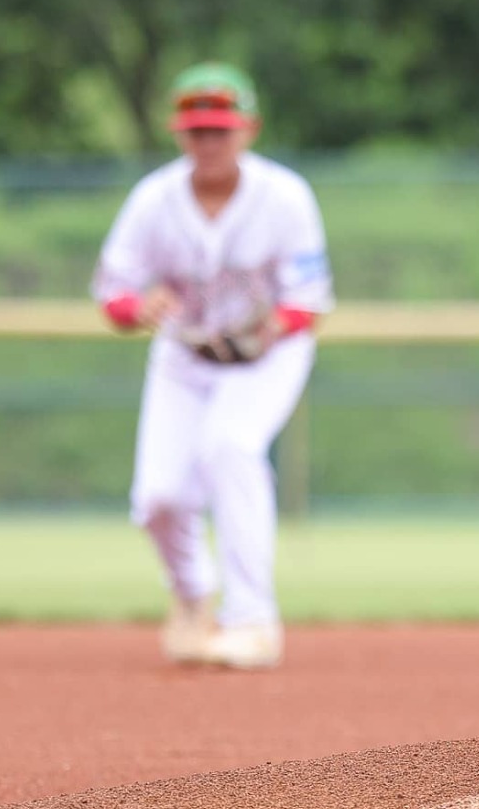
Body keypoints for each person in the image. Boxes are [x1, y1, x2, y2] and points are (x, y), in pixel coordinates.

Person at [92, 63, 333, 669]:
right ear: (180, 133)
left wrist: (271, 326)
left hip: (264, 359)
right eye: (198, 130)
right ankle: (193, 596)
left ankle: (252, 621)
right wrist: (137, 307)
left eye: (221, 129)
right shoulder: (154, 199)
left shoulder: (284, 196)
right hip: (183, 355)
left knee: (229, 447)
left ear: (249, 128)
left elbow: (309, 301)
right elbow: (113, 293)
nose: (209, 141)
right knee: (158, 497)